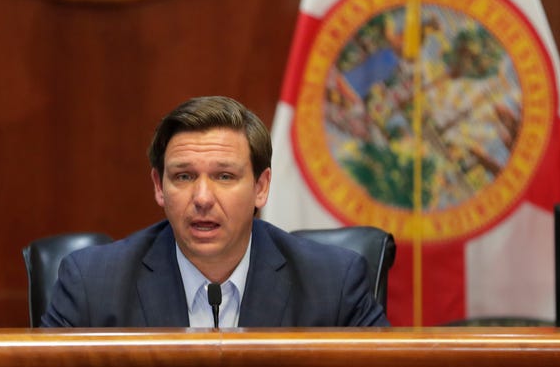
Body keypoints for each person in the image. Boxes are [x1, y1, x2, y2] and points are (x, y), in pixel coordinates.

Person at [41, 95, 389, 328]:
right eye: (184, 176)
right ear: (159, 187)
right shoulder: (92, 285)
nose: (203, 197)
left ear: (261, 187)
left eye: (224, 176)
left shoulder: (333, 283)